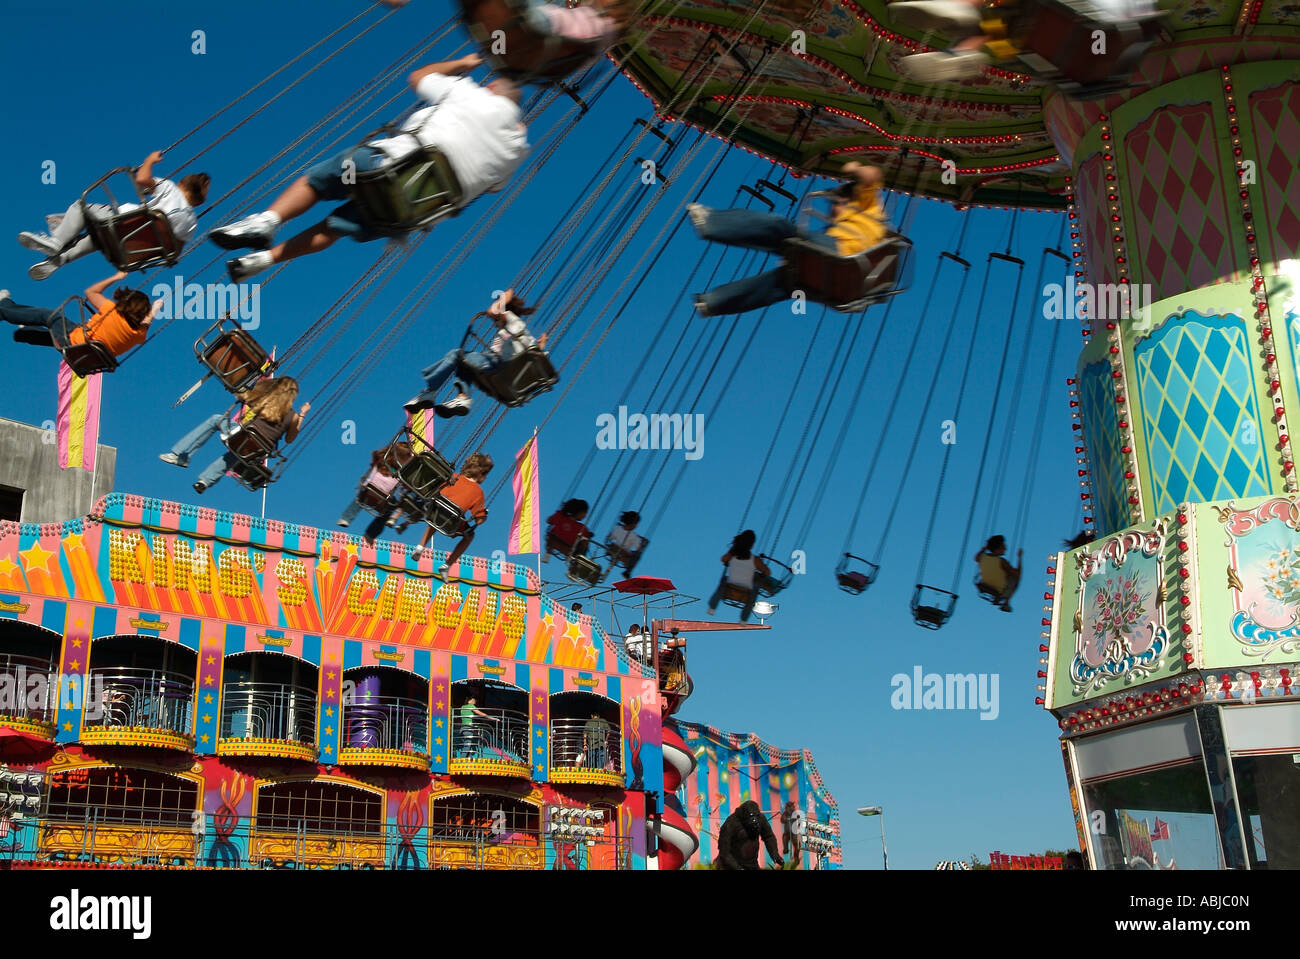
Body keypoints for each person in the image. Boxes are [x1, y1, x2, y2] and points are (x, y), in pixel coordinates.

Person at [212, 54, 529, 281]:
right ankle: (265, 260)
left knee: (317, 183)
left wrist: (463, 64)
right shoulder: (517, 149)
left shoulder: (471, 94)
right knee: (333, 229)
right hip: (407, 213)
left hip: (383, 167)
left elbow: (418, 77)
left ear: (490, 89)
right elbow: (492, 187)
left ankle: (267, 221)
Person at [688, 162, 890, 317]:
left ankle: (710, 221)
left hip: (848, 254)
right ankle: (713, 303)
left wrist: (854, 168)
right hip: (843, 279)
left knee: (781, 228)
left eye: (836, 203)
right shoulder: (837, 230)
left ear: (848, 199)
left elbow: (872, 175)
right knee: (783, 282)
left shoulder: (867, 204)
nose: (833, 210)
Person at [19, 152, 210, 281]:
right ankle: (57, 259)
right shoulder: (192, 224)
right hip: (130, 251)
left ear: (182, 184)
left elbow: (142, 179)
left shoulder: (170, 189)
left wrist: (150, 160)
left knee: (81, 207)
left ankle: (56, 240)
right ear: (198, 202)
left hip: (121, 224)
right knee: (95, 238)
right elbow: (174, 252)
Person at [889, 0, 1158, 82]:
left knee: (1000, 17)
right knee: (1003, 18)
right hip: (1096, 32)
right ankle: (963, 52)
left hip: (1100, 24)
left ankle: (963, 27)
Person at [403, 289, 549, 417]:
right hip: (512, 372)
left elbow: (492, 311)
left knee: (456, 354)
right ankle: (462, 398)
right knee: (465, 363)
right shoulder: (523, 334)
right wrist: (541, 345)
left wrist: (506, 295)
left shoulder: (510, 319)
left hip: (499, 366)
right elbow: (536, 356)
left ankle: (430, 391)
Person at [159, 378, 309, 494]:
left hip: (245, 436)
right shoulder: (293, 416)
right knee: (236, 454)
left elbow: (242, 395)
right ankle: (204, 482)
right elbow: (290, 439)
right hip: (257, 450)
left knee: (216, 420)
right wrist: (302, 414)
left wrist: (246, 385)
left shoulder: (266, 400)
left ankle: (182, 455)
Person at [0, 273, 157, 355]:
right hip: (84, 355)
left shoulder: (111, 310)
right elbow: (146, 324)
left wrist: (117, 277)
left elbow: (90, 292)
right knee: (65, 331)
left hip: (75, 342)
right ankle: (22, 334)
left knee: (49, 316)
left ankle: (4, 307)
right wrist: (154, 309)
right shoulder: (138, 334)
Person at [411, 452, 493, 575]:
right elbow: (479, 520)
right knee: (470, 535)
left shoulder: (453, 477)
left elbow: (439, 491)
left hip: (435, 513)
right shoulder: (478, 493)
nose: (485, 478)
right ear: (481, 473)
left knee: (437, 514)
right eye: (486, 475)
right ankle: (447, 565)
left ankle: (420, 546)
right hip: (452, 524)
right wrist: (484, 515)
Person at [338, 443, 411, 527]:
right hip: (384, 498)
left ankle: (345, 519)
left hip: (369, 489)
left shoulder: (381, 461)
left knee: (359, 498)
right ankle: (376, 530)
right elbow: (404, 487)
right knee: (392, 505)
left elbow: (373, 461)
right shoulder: (401, 473)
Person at [706, 530, 770, 622]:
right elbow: (767, 573)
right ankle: (743, 619)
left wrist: (732, 550)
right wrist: (762, 570)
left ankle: (712, 607)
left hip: (729, 589)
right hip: (746, 593)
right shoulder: (755, 560)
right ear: (751, 545)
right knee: (755, 588)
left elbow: (723, 559)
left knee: (724, 580)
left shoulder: (732, 555)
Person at [975, 534, 1022, 612]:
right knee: (1015, 578)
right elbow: (1018, 574)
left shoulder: (982, 556)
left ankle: (1005, 601)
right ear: (998, 548)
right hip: (999, 591)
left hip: (984, 585)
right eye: (1003, 546)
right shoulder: (1001, 561)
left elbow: (976, 558)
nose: (1006, 548)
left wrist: (985, 548)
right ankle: (1006, 602)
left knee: (1005, 572)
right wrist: (1019, 557)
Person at [606, 510, 647, 576]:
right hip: (624, 555)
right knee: (637, 555)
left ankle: (615, 559)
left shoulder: (617, 528)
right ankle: (628, 571)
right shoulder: (633, 536)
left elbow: (610, 538)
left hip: (613, 549)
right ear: (634, 524)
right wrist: (643, 543)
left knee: (616, 546)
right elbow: (638, 548)